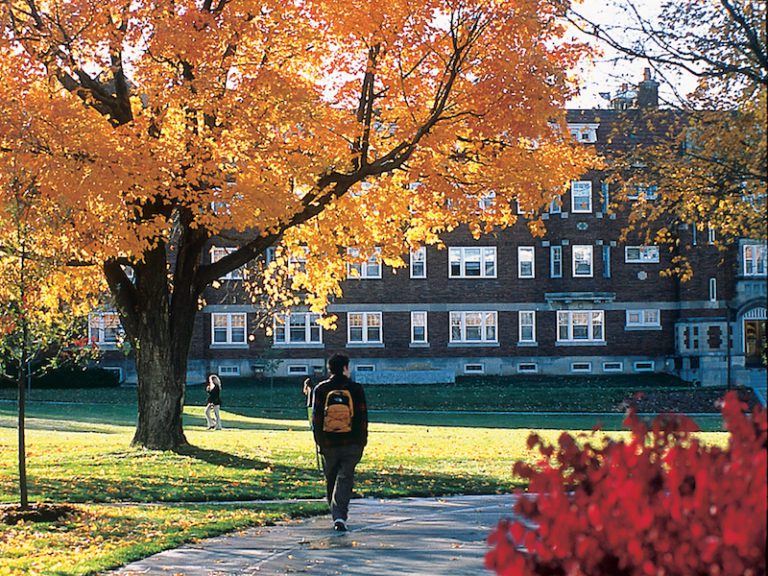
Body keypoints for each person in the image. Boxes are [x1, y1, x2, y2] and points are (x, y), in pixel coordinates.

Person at [308, 353, 368, 532]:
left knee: (331, 478)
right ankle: (339, 515)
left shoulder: (321, 389)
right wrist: (361, 440)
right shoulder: (355, 389)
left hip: (328, 442)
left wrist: (319, 440)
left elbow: (316, 417)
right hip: (351, 442)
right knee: (345, 478)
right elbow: (362, 417)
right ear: (345, 368)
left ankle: (336, 514)